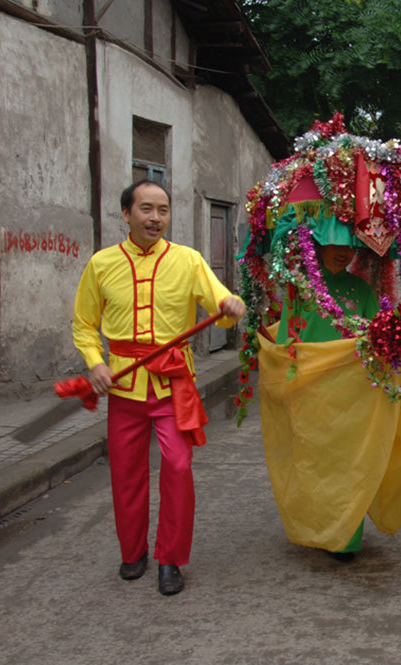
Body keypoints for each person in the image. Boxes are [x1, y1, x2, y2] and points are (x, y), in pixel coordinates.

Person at [72, 180, 245, 595]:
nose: (155, 218)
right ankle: (133, 552)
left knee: (179, 467)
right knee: (127, 474)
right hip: (124, 387)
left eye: (163, 210)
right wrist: (95, 364)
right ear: (127, 213)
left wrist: (229, 308)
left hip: (173, 385)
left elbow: (219, 306)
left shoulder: (188, 260)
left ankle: (170, 558)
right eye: (146, 209)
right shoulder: (101, 264)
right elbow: (84, 325)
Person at [275, 243, 379, 560]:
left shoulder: (361, 288)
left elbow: (376, 333)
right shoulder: (301, 285)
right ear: (319, 244)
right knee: (314, 458)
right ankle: (318, 526)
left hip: (353, 391)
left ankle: (346, 534)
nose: (342, 251)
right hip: (310, 391)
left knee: (351, 461)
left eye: (349, 245)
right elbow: (285, 341)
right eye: (334, 243)